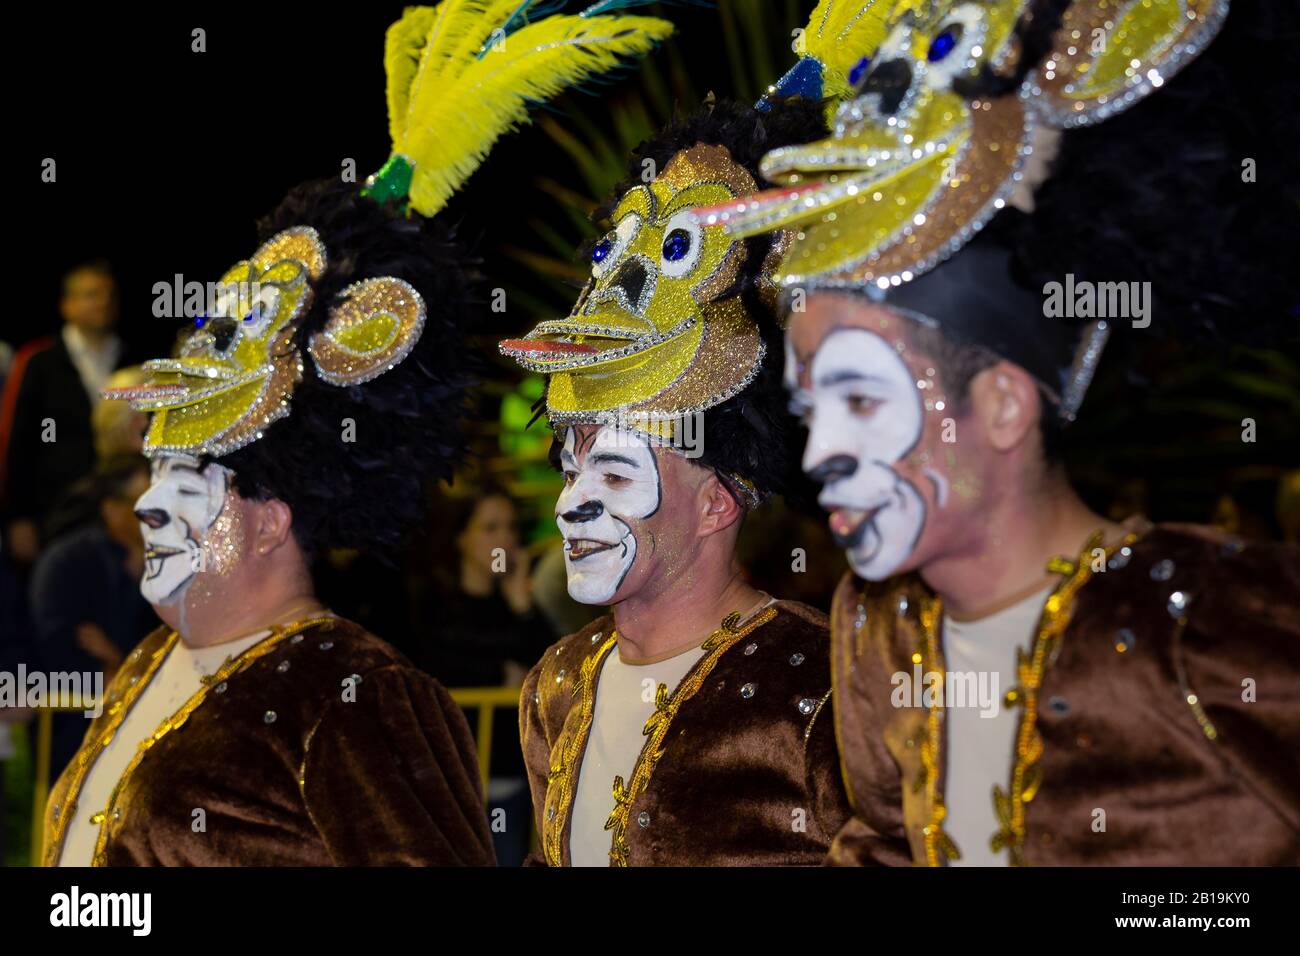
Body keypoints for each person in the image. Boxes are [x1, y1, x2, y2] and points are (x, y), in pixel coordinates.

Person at [41, 1, 672, 867]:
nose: (146, 505)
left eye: (187, 477)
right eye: (153, 471)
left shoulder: (357, 699)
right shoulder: (150, 660)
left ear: (269, 517)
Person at [696, 0, 1300, 864]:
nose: (820, 449)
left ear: (1007, 405)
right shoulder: (879, 632)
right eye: (809, 409)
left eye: (861, 401)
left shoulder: (1212, 619)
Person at [499, 2, 891, 865]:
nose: (572, 504)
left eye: (613, 470)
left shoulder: (818, 687)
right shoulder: (557, 686)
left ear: (718, 502)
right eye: (572, 465)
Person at [29, 455, 157, 781]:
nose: (159, 512)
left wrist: (121, 663)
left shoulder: (179, 562)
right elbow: (55, 655)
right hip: (77, 746)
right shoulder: (67, 564)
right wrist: (112, 671)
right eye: (145, 501)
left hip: (153, 739)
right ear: (112, 510)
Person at [0, 260, 123, 565]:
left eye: (109, 295)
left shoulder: (132, 358)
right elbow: (16, 441)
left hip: (121, 512)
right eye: (92, 294)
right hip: (56, 514)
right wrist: (17, 517)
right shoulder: (39, 362)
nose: (103, 302)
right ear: (67, 305)